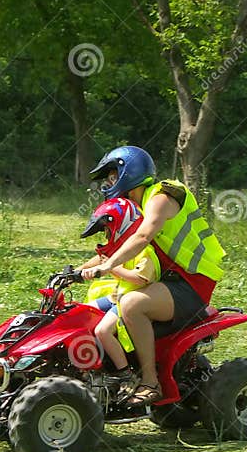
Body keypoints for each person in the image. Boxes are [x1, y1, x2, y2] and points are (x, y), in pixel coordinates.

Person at [80, 146, 225, 407]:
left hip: (192, 282)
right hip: (169, 281)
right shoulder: (136, 207)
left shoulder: (160, 196)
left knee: (132, 305)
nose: (108, 184)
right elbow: (115, 248)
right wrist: (77, 272)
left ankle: (149, 382)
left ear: (128, 172)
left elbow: (143, 237)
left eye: (112, 176)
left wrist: (109, 265)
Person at [80, 198, 160, 381]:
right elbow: (101, 259)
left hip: (130, 301)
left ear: (122, 226)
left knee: (103, 331)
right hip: (116, 297)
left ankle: (125, 374)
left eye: (108, 232)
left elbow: (140, 279)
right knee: (81, 313)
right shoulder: (122, 248)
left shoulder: (145, 251)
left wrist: (111, 268)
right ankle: (91, 363)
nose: (107, 237)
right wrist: (76, 272)